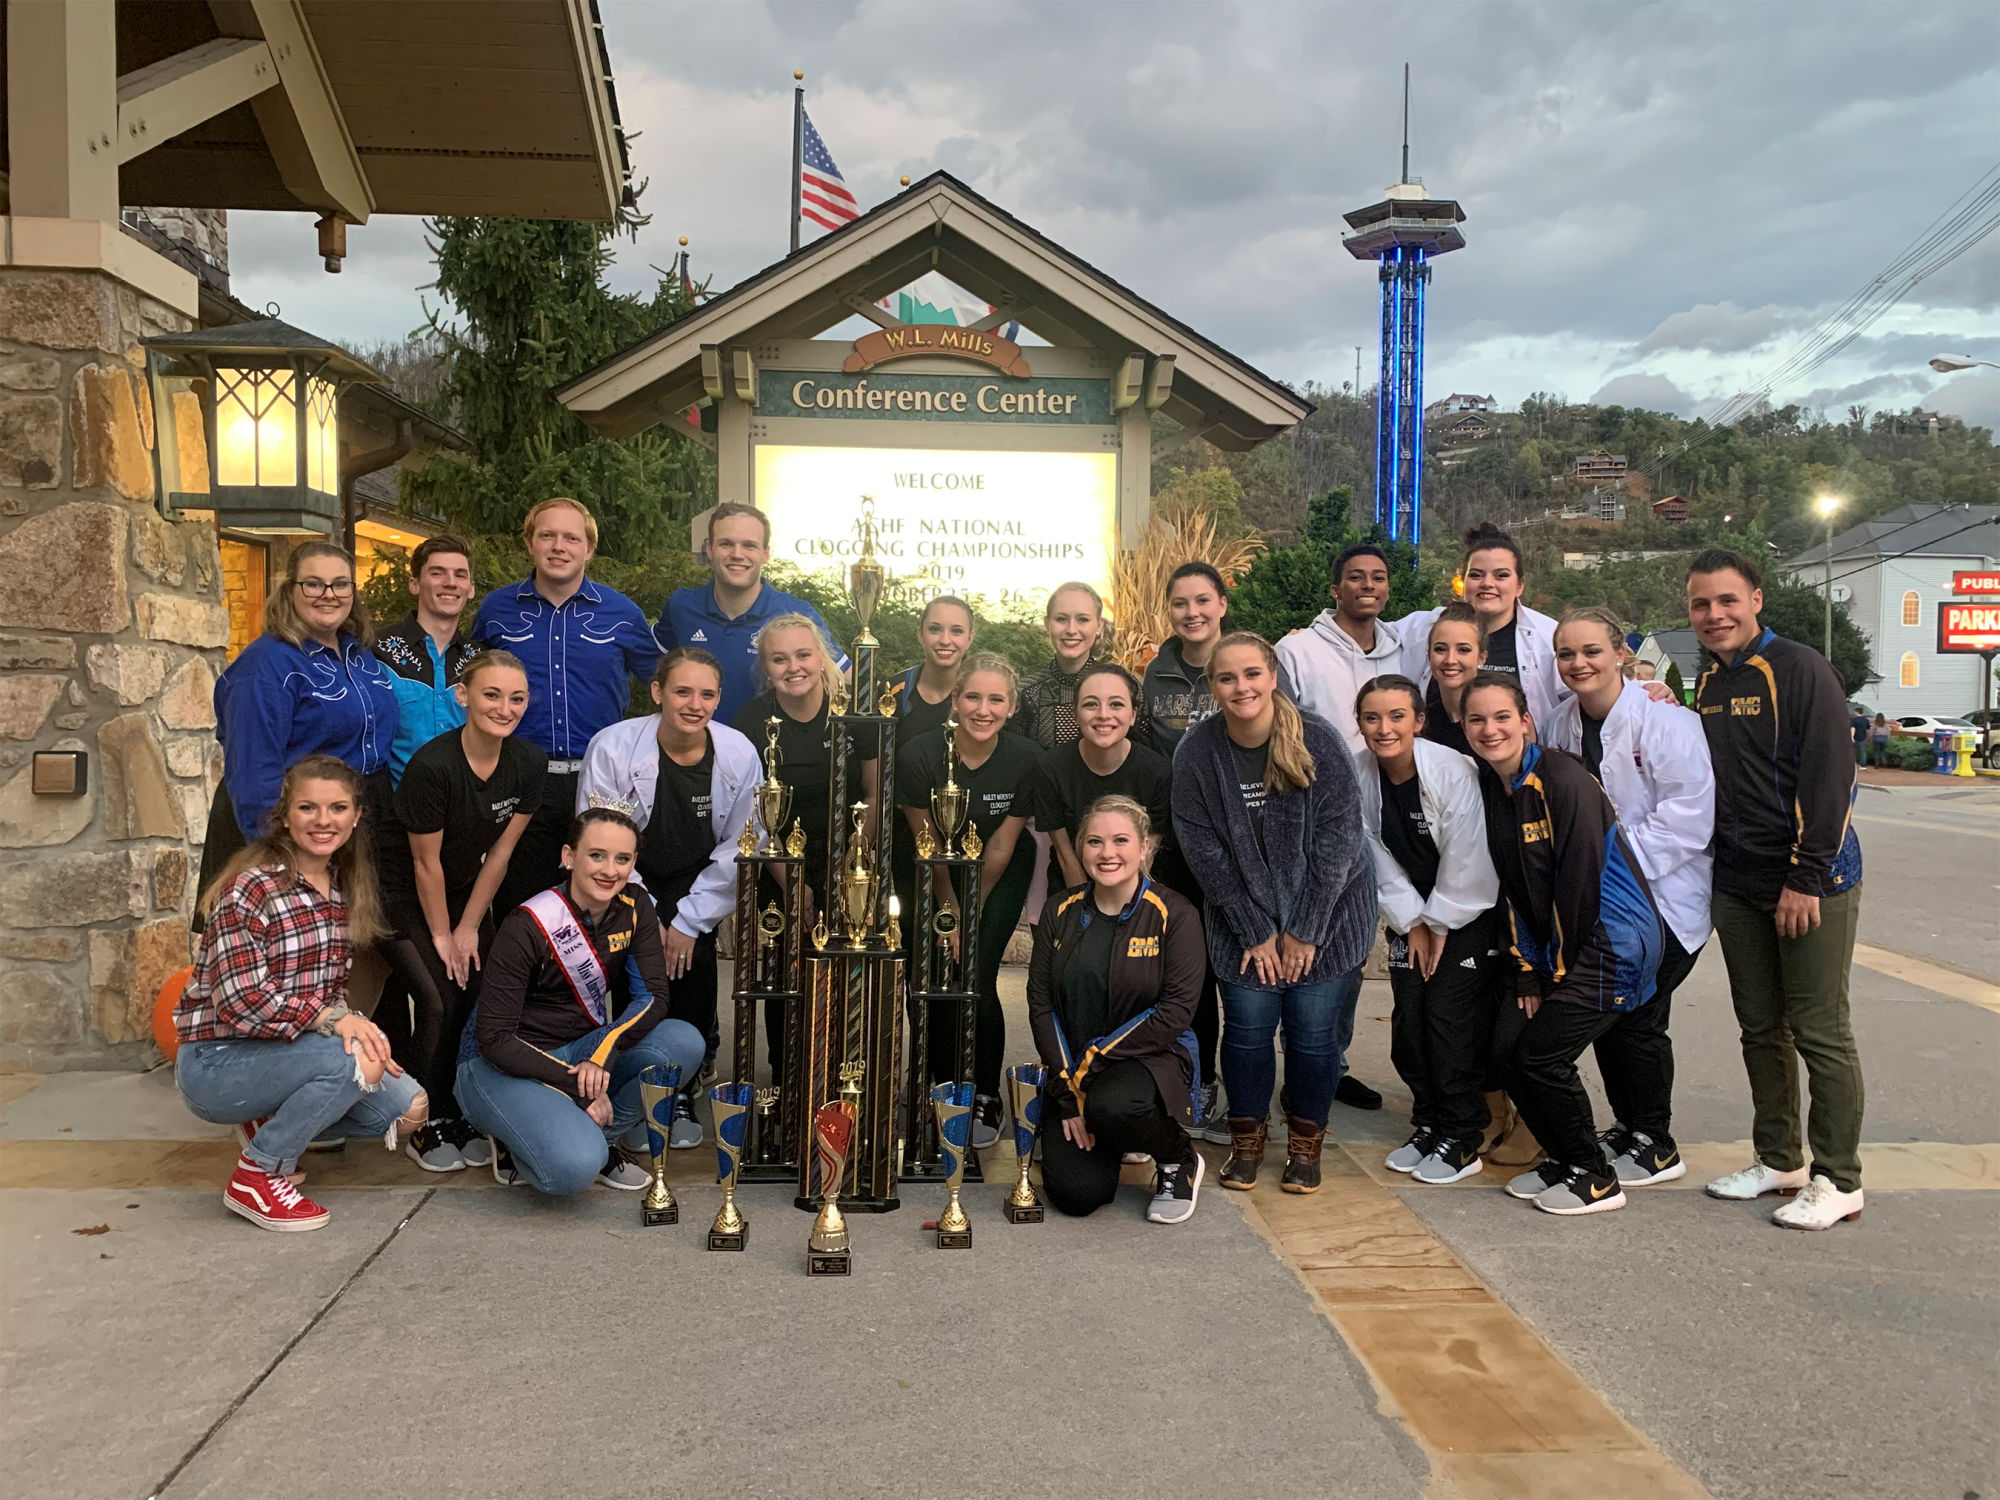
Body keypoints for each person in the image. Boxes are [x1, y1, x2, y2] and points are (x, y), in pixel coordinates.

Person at [1687, 550, 1866, 1231]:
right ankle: (1779, 1159)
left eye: (1727, 601)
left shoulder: (1798, 669)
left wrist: (1805, 877)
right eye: (1702, 604)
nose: (1715, 615)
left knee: (1820, 1031)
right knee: (1761, 1029)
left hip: (1809, 882)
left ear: (1756, 600)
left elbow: (1831, 781)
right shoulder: (1706, 680)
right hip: (1738, 883)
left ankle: (1839, 1177)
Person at [174, 757, 426, 1232]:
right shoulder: (250, 888)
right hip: (217, 1060)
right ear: (285, 815)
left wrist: (361, 1029)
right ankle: (257, 1175)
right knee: (353, 1064)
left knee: (408, 1110)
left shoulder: (340, 891)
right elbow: (240, 1002)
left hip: (284, 1050)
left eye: (337, 808)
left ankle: (267, 1121)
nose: (323, 820)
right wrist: (338, 1026)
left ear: (356, 817)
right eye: (308, 807)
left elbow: (327, 993)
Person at [1171, 632, 1375, 1194]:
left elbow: (1340, 844)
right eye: (1226, 678)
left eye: (1251, 674)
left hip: (1329, 915)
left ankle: (1306, 1143)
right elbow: (1201, 848)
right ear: (1211, 685)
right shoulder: (1197, 751)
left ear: (1273, 676)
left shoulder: (1319, 739)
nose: (1241, 688)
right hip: (1244, 921)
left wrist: (1305, 931)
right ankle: (1246, 1140)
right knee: (1248, 1029)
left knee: (1313, 1035)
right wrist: (1256, 931)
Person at [1462, 674, 1664, 1218]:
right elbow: (1513, 889)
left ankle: (1595, 1177)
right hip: (1563, 950)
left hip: (1613, 943)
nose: (1490, 729)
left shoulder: (1562, 780)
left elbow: (1576, 890)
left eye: (1502, 717)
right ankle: (1566, 1159)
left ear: (1525, 721)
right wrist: (1528, 972)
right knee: (1507, 1050)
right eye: (1476, 719)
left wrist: (1552, 973)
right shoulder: (1495, 787)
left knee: (1541, 1057)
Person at [454, 807, 708, 1195]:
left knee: (684, 1042)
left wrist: (599, 1056)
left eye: (622, 859)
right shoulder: (528, 923)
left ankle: (598, 1139)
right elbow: (494, 1038)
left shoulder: (635, 905)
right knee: (571, 1171)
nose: (610, 869)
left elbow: (653, 997)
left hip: (581, 1051)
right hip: (501, 1063)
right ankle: (524, 1136)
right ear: (568, 856)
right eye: (597, 855)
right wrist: (577, 1086)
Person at [1547, 608, 1714, 1186]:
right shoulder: (1561, 722)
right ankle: (1630, 1125)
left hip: (1666, 899)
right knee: (1620, 1016)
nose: (1578, 664)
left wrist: (1599, 864)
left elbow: (1689, 821)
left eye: (1591, 651)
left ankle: (1656, 1140)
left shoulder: (1666, 722)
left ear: (1621, 653)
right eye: (1566, 654)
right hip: (1608, 903)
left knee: (1640, 1018)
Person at [577, 648, 760, 1149]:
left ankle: (676, 1087)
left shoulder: (739, 752)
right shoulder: (612, 747)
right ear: (657, 692)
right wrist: (644, 913)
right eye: (682, 691)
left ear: (719, 698)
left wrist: (688, 922)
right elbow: (601, 837)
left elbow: (744, 843)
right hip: (623, 875)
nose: (694, 703)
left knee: (692, 968)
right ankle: (626, 1084)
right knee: (631, 972)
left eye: (706, 693)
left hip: (698, 877)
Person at [374, 651, 546, 1172]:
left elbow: (499, 855)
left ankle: (460, 1108)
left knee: (481, 992)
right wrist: (444, 936)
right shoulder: (433, 766)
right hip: (399, 893)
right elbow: (424, 866)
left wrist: (470, 926)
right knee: (440, 997)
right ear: (464, 696)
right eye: (492, 694)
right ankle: (421, 1121)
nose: (504, 707)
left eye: (516, 698)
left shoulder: (529, 764)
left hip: (463, 891)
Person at [472, 497, 660, 914]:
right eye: (548, 536)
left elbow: (663, 685)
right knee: (519, 903)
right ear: (530, 543)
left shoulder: (622, 614)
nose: (559, 547)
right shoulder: (496, 611)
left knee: (598, 904)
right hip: (521, 781)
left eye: (572, 538)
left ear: (588, 549)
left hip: (600, 783)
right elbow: (470, 688)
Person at [1353, 676, 1505, 1186]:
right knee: (1410, 1028)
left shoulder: (1452, 770)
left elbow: (1468, 855)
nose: (1384, 728)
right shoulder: (1360, 774)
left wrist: (1437, 921)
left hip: (1465, 913)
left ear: (1419, 721)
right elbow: (1371, 852)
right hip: (1410, 915)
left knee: (1448, 1022)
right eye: (1372, 718)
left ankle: (1463, 1136)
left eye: (1397, 716)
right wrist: (1413, 921)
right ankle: (1429, 1122)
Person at [1027, 797, 1207, 1224]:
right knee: (1077, 1195)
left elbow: (1174, 1012)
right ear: (1080, 847)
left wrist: (1095, 1062)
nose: (1107, 853)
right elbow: (1041, 1005)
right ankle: (1107, 1131)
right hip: (1073, 1074)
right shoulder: (1059, 910)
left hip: (1151, 1058)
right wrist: (1068, 1093)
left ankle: (1176, 1158)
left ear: (1145, 847)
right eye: (1095, 841)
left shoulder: (1175, 914)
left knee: (1115, 1107)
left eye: (1121, 840)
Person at [898, 652, 1040, 1149]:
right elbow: (926, 840)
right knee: (930, 971)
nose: (984, 709)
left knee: (974, 971)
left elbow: (1002, 845)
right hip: (925, 867)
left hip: (999, 872)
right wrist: (947, 907)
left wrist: (970, 914)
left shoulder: (1026, 759)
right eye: (973, 697)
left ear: (1012, 706)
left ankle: (982, 1093)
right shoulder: (919, 753)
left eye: (995, 699)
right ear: (955, 701)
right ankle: (934, 1083)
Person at [204, 542, 399, 901]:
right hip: (296, 833)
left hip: (356, 824)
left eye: (340, 584)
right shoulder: (267, 665)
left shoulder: (361, 656)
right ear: (290, 590)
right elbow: (253, 773)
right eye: (313, 583)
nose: (329, 594)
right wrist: (279, 863)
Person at [732, 614, 879, 1073]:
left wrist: (848, 870)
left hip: (852, 864)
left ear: (820, 657)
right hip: (779, 867)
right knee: (785, 974)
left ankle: (848, 1074)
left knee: (849, 975)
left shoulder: (853, 711)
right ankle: (787, 1075)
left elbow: (875, 794)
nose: (793, 666)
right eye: (780, 659)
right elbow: (755, 814)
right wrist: (794, 884)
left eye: (802, 654)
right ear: (765, 667)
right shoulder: (751, 722)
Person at [654, 502, 844, 726]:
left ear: (765, 554)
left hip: (771, 752)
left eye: (749, 546)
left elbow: (842, 678)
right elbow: (654, 666)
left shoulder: (796, 614)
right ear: (710, 549)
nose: (737, 554)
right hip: (695, 753)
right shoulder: (681, 607)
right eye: (726, 544)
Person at [1397, 522, 1571, 728]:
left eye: (1501, 575)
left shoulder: (1549, 637)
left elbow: (1576, 703)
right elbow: (1366, 640)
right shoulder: (1424, 626)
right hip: (1435, 757)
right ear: (1463, 581)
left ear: (1520, 585)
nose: (1487, 583)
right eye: (1476, 575)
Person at [1277, 542, 1403, 751]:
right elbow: (1281, 731)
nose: (1369, 585)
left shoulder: (1400, 650)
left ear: (1387, 591)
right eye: (1355, 577)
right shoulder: (1296, 651)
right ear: (1335, 590)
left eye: (1378, 578)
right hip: (1321, 780)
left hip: (1388, 781)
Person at [374, 534, 479, 783]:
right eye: (437, 573)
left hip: (463, 811)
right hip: (394, 810)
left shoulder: (480, 661)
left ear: (471, 588)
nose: (450, 583)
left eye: (460, 575)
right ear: (414, 584)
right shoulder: (375, 652)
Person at [1011, 581, 1111, 750]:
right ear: (1047, 624)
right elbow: (1016, 757)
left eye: (1083, 619)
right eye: (1061, 619)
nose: (1071, 629)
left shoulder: (1121, 689)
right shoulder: (1026, 690)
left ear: (1099, 626)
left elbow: (1139, 758)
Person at [1142, 562, 1225, 756]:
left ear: (1222, 605)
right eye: (1180, 604)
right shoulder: (1156, 672)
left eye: (1202, 600)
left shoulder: (1252, 664)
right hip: (1173, 785)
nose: (1192, 613)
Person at [1419, 603, 1487, 758]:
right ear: (1429, 655)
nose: (1450, 660)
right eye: (1440, 649)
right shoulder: (1423, 722)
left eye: (1463, 650)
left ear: (1482, 658)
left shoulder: (1499, 717)